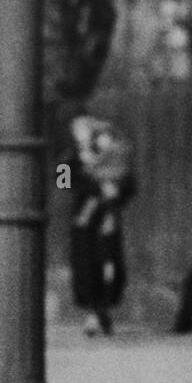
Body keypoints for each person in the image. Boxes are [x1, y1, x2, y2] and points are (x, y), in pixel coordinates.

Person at [68, 116, 136, 336]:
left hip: (107, 219)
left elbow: (129, 184)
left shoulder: (115, 156)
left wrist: (116, 192)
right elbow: (62, 182)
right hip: (84, 221)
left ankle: (103, 307)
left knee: (110, 265)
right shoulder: (73, 158)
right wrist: (93, 184)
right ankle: (94, 312)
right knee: (86, 268)